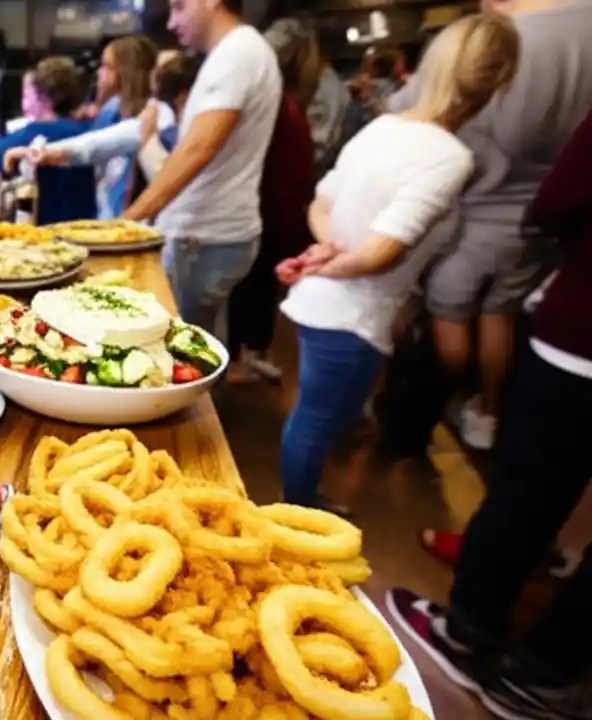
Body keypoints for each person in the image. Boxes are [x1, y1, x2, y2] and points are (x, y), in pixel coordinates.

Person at [387, 108, 592, 720]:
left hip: (580, 341)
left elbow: (557, 200)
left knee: (527, 488)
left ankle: (465, 632)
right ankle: (548, 675)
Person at [274, 14, 520, 510]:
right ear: (496, 85)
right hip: (353, 312)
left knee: (325, 415)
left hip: (336, 305)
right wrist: (331, 261)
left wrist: (327, 251)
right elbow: (383, 251)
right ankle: (294, 517)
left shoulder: (385, 126)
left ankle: (301, 504)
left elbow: (321, 205)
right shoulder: (450, 158)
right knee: (318, 420)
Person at [416, 0, 592, 450]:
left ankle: (450, 401)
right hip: (545, 214)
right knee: (499, 313)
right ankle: (488, 413)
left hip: (479, 206)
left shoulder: (503, 39)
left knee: (448, 308)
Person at [120, 0, 281, 340]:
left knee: (181, 347)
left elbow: (198, 148)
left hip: (202, 236)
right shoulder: (239, 52)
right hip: (210, 234)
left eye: (179, 7)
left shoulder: (237, 53)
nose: (172, 22)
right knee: (202, 337)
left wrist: (129, 221)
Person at [226, 18, 319, 383]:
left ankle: (241, 359)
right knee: (251, 293)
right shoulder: (286, 109)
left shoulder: (271, 107)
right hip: (273, 214)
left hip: (262, 213)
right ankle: (242, 358)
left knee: (247, 294)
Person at [4, 54, 201, 187]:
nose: (99, 71)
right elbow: (97, 143)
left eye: (107, 66)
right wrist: (45, 152)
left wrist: (148, 139)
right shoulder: (133, 113)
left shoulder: (161, 117)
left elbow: (170, 182)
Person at [0, 57, 97, 224]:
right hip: (86, 231)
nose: (24, 104)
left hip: (43, 235)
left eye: (27, 95)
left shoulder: (35, 133)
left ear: (41, 96)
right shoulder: (88, 130)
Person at [88, 35, 157, 218]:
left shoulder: (156, 113)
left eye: (106, 66)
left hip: (139, 212)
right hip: (106, 207)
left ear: (125, 70)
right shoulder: (109, 110)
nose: (99, 73)